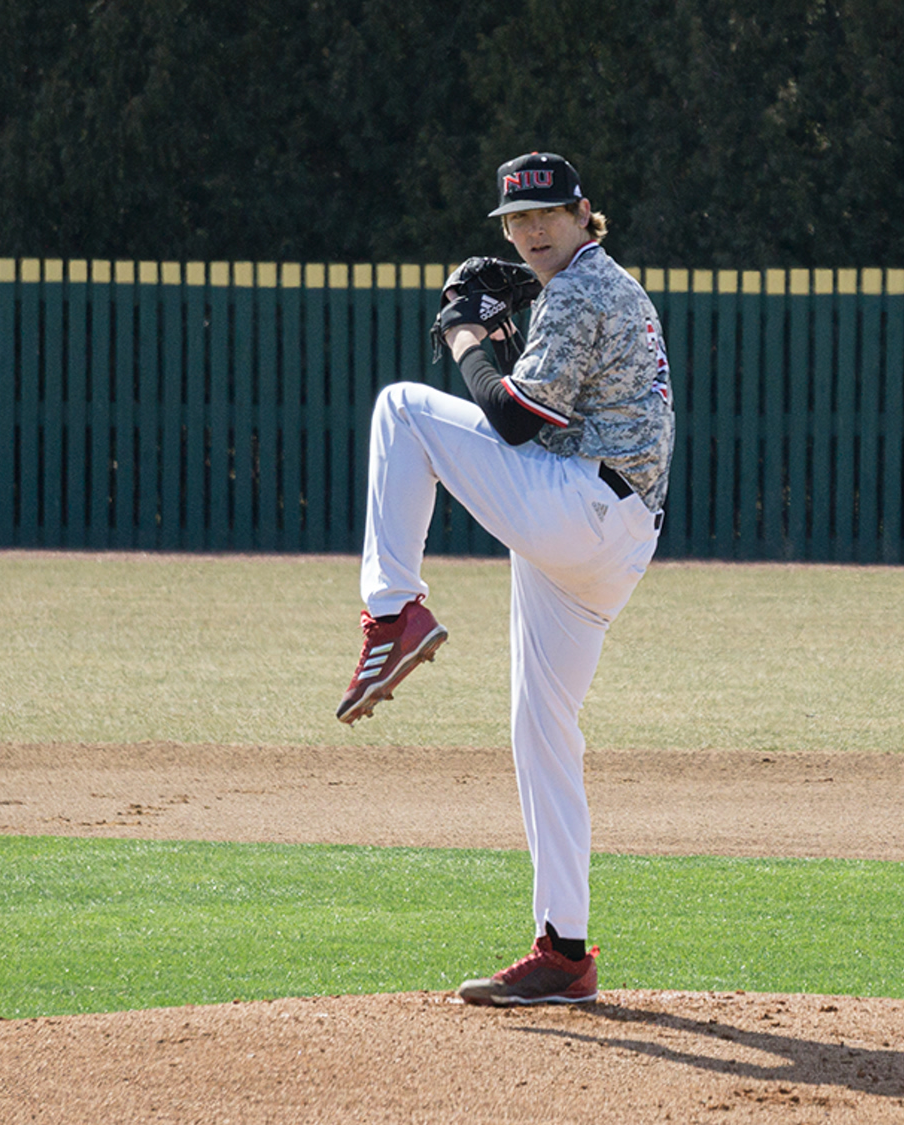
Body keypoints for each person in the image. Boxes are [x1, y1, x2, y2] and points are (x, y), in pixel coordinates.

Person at [338, 151, 674, 1005]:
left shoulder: (582, 289)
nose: (529, 233)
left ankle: (391, 614)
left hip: (584, 506)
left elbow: (513, 420)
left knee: (401, 410)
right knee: (542, 728)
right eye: (516, 222)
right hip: (609, 534)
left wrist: (463, 331)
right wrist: (501, 333)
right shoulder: (596, 290)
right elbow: (543, 404)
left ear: (583, 213)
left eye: (546, 216)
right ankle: (565, 948)